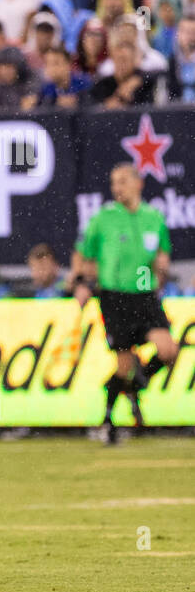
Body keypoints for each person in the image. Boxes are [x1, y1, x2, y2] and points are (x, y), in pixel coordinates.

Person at [71, 164, 178, 444]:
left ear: (137, 183)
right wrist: (81, 282)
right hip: (114, 296)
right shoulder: (104, 218)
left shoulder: (153, 217)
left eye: (121, 182)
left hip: (144, 294)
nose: (116, 188)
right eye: (113, 183)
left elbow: (161, 254)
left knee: (168, 350)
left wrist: (161, 269)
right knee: (124, 363)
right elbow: (83, 253)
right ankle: (108, 418)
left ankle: (137, 384)